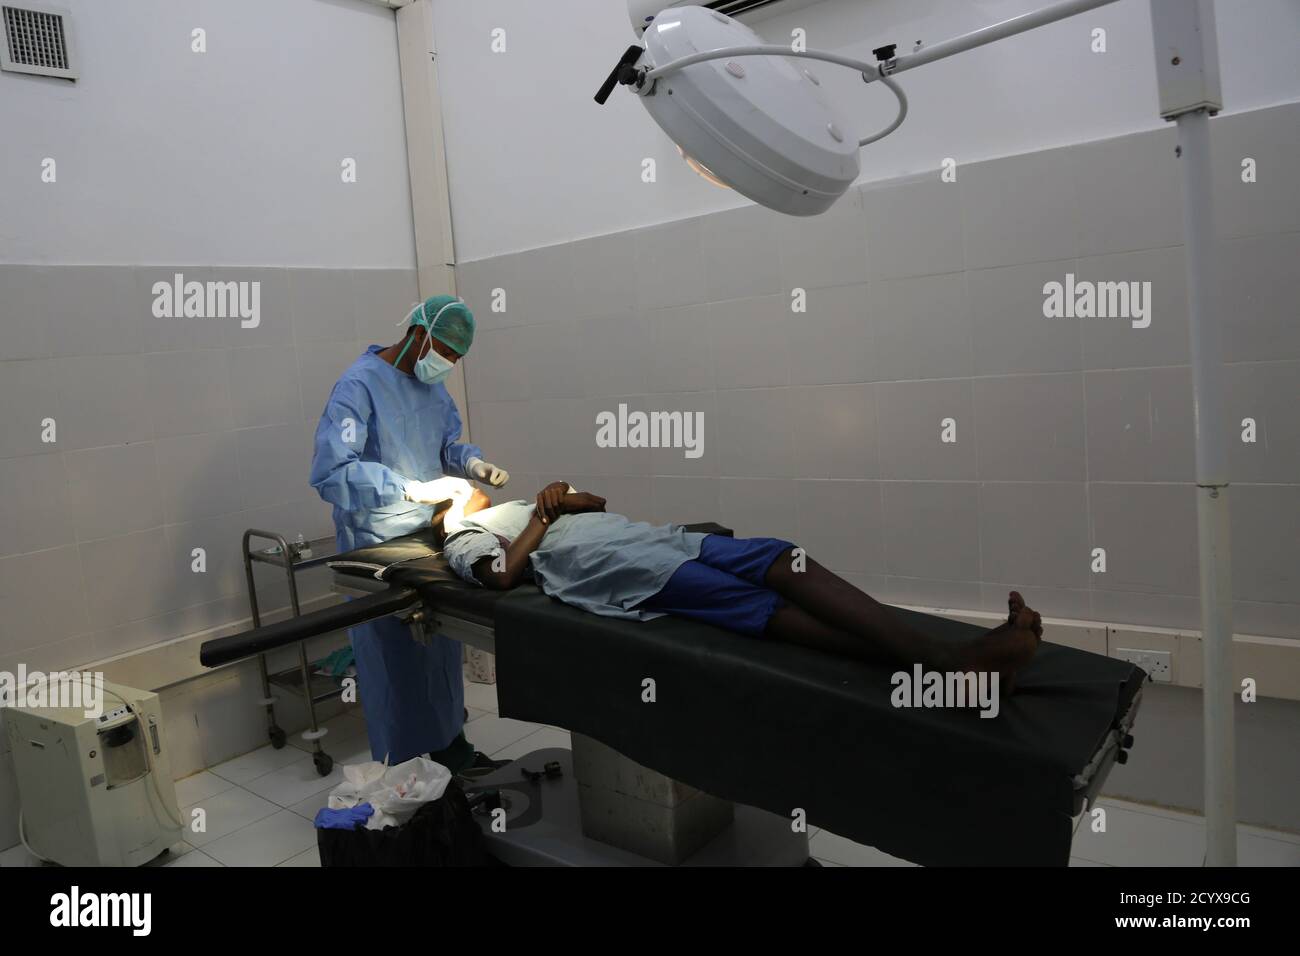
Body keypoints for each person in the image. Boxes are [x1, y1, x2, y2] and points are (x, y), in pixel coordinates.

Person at [433, 480, 1044, 687]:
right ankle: (947, 663)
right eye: (453, 492)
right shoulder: (465, 536)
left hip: (656, 537)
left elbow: (597, 503)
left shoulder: (517, 505)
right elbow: (502, 577)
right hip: (617, 572)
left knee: (783, 558)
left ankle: (954, 666)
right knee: (756, 604)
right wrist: (542, 516)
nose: (467, 487)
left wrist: (565, 496)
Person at [310, 295, 511, 771]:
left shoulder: (431, 388)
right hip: (376, 547)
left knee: (439, 651)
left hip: (427, 538)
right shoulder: (357, 387)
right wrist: (411, 488)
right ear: (418, 334)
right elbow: (331, 472)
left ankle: (450, 748)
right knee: (396, 664)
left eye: (457, 360)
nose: (448, 365)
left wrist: (471, 463)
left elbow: (445, 444)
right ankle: (406, 770)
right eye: (446, 353)